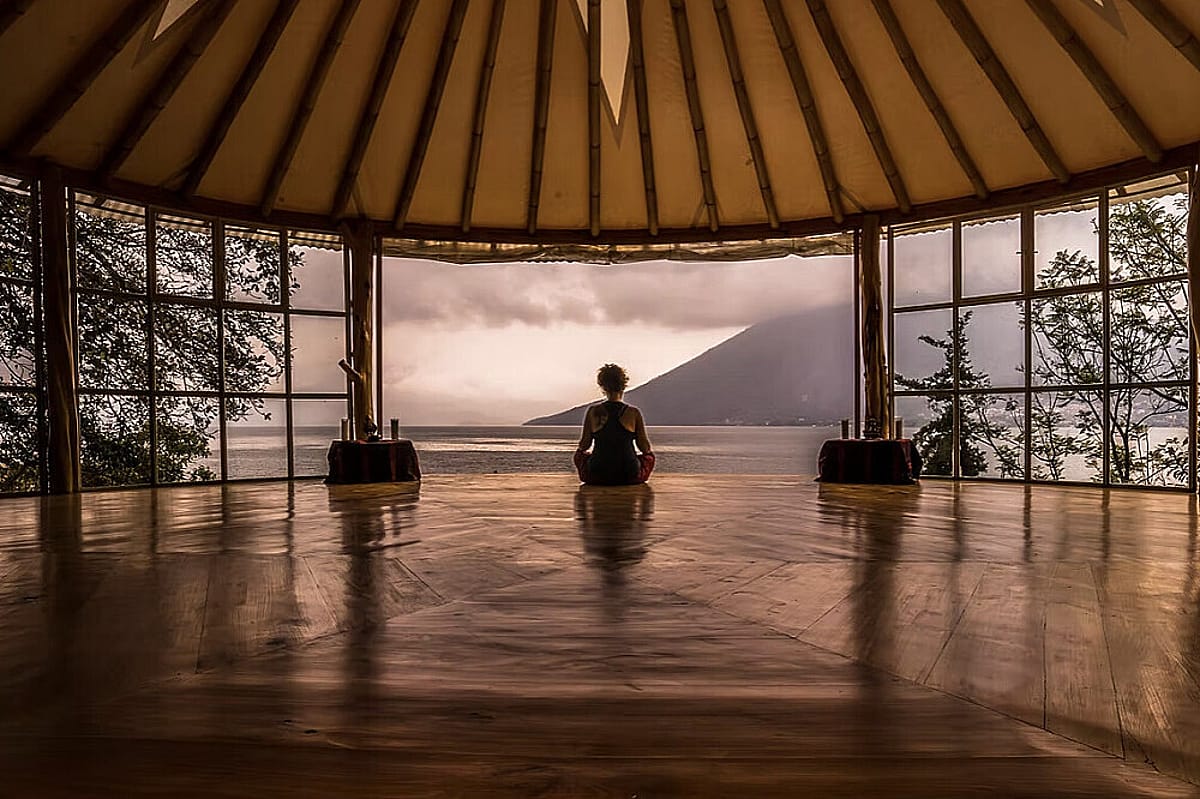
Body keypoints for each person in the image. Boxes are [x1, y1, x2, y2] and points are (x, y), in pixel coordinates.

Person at [573, 364, 655, 485]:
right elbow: (644, 447)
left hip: (598, 472)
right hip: (628, 472)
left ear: (603, 387)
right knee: (649, 457)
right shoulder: (633, 412)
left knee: (580, 456)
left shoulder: (593, 411)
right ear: (623, 385)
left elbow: (584, 445)